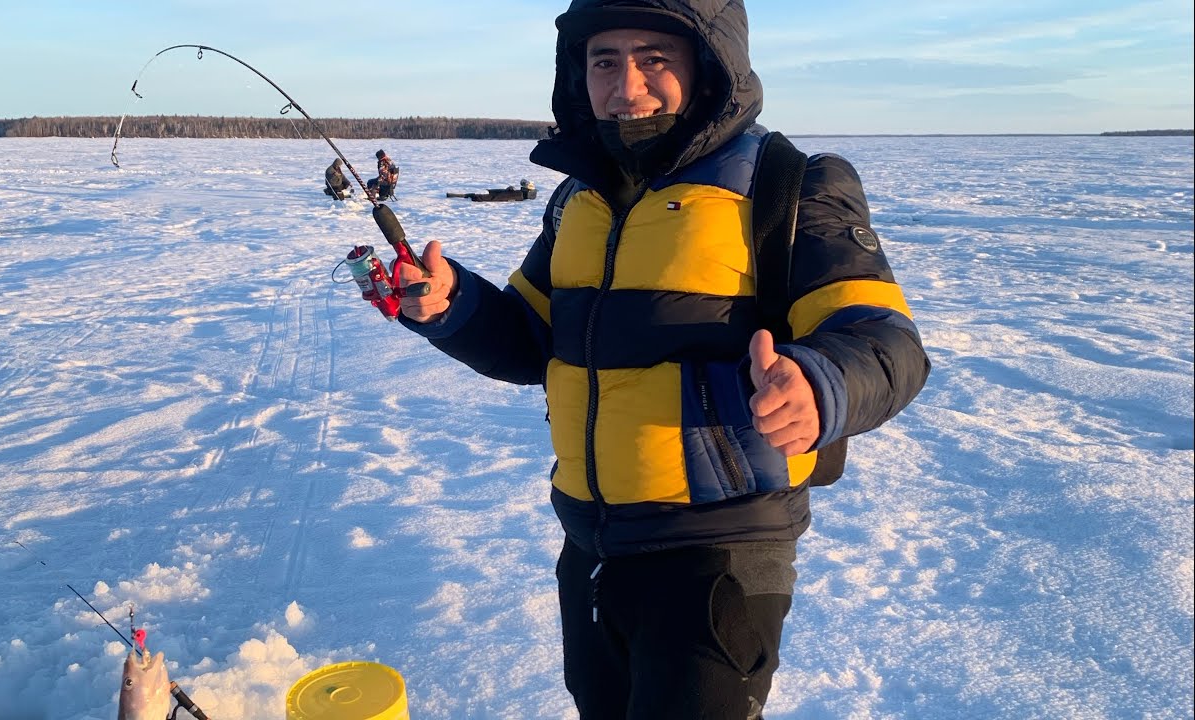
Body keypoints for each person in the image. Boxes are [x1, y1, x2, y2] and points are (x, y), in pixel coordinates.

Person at [395, 0, 931, 717]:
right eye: (604, 61)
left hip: (717, 555)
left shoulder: (788, 183)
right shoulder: (578, 199)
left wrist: (817, 384)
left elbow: (883, 338)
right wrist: (452, 304)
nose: (627, 87)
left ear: (709, 65)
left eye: (654, 59)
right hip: (590, 542)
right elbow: (530, 339)